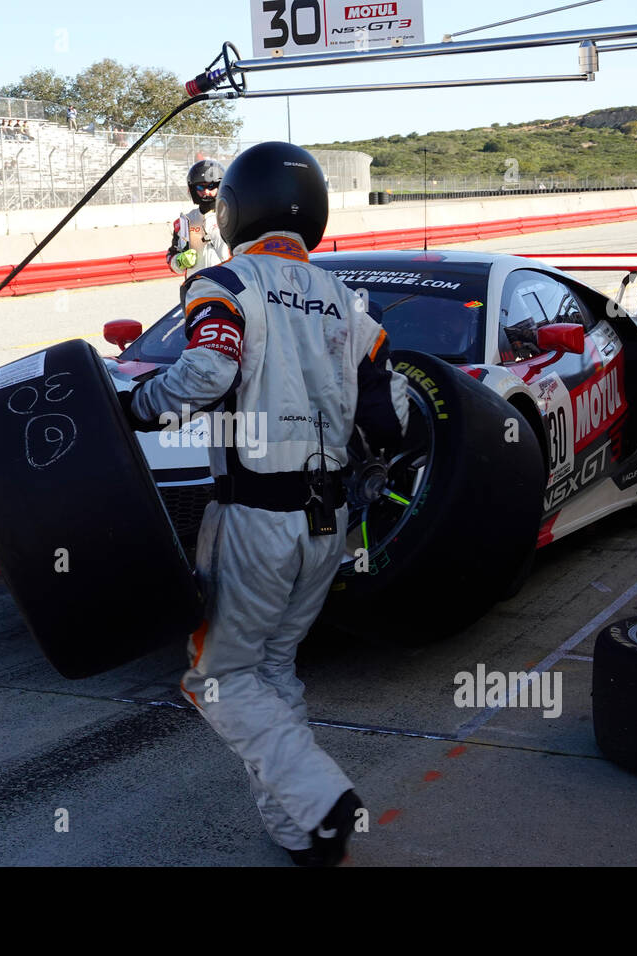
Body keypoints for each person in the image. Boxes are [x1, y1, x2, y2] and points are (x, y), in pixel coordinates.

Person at [120, 142, 409, 866]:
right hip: (328, 523)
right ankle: (301, 833)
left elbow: (209, 369)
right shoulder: (352, 306)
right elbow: (390, 422)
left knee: (214, 677)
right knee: (273, 670)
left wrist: (139, 406)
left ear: (231, 209)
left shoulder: (226, 281)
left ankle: (324, 800)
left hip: (253, 517)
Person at [166, 160, 227, 277]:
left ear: (220, 186)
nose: (206, 192)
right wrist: (180, 260)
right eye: (200, 187)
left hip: (227, 286)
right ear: (193, 189)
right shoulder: (184, 222)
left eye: (211, 186)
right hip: (196, 287)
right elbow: (171, 257)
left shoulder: (233, 216)